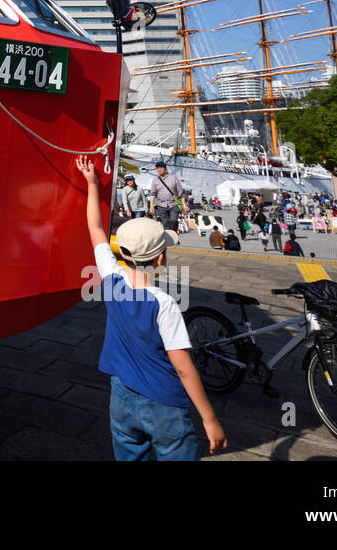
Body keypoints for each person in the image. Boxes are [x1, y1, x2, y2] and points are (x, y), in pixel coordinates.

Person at [75, 155, 226, 460]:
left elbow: (95, 229)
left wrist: (91, 184)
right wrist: (209, 419)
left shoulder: (111, 278)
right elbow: (183, 368)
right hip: (163, 403)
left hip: (121, 396)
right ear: (160, 259)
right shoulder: (164, 303)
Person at [149, 160, 186, 232]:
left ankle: (174, 233)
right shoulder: (155, 181)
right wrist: (151, 206)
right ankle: (169, 239)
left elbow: (181, 193)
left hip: (173, 204)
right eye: (157, 168)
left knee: (173, 220)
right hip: (161, 205)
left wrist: (184, 205)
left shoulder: (174, 178)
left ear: (165, 169)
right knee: (165, 224)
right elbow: (152, 194)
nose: (159, 169)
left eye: (161, 168)